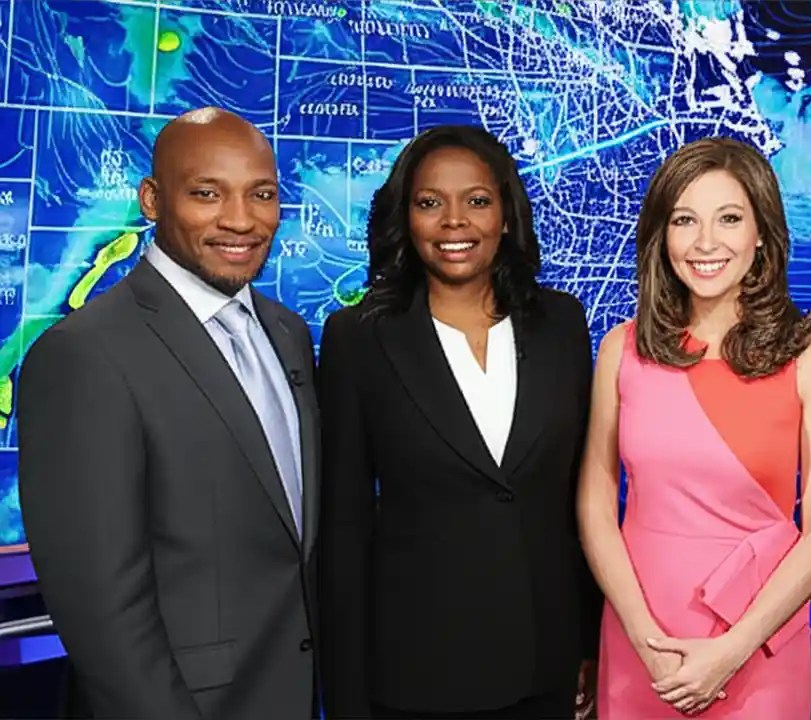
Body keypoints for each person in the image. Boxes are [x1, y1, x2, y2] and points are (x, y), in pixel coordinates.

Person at [17, 107, 319, 718]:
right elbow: (101, 607)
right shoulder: (85, 354)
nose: (241, 219)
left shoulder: (287, 334)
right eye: (207, 193)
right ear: (152, 199)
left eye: (261, 194)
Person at [318, 125, 601, 719]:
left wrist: (588, 642)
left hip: (543, 669)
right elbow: (343, 532)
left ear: (505, 213)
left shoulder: (561, 325)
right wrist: (345, 698)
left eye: (476, 200)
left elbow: (579, 503)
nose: (455, 222)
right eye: (429, 203)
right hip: (415, 678)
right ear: (405, 217)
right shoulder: (359, 340)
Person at [578, 137, 811, 718]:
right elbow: (597, 505)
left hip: (757, 642)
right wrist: (646, 643)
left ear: (761, 233)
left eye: (729, 218)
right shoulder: (620, 350)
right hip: (640, 638)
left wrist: (730, 650)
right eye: (685, 221)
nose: (706, 243)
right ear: (661, 236)